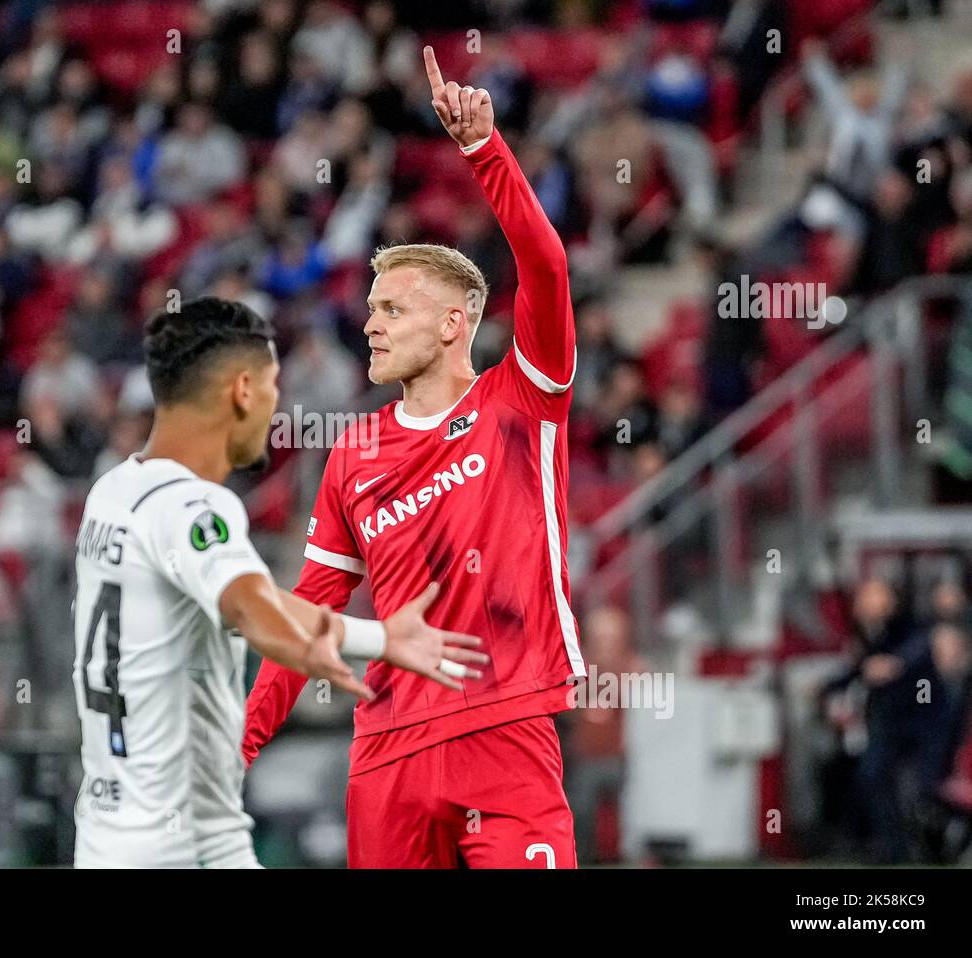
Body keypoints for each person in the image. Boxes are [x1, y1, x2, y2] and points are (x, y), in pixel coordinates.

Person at [242, 47, 586, 868]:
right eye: (369, 309)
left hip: (503, 733)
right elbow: (309, 615)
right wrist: (240, 744)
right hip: (385, 754)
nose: (371, 324)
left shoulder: (522, 397)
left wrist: (483, 152)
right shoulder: (352, 453)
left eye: (393, 308)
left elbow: (546, 264)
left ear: (455, 323)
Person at [71, 296, 486, 868]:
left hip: (113, 833)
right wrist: (325, 646)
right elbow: (251, 607)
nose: (278, 407)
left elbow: (251, 604)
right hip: (177, 844)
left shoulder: (111, 494)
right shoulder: (195, 509)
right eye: (272, 386)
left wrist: (381, 640)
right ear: (241, 390)